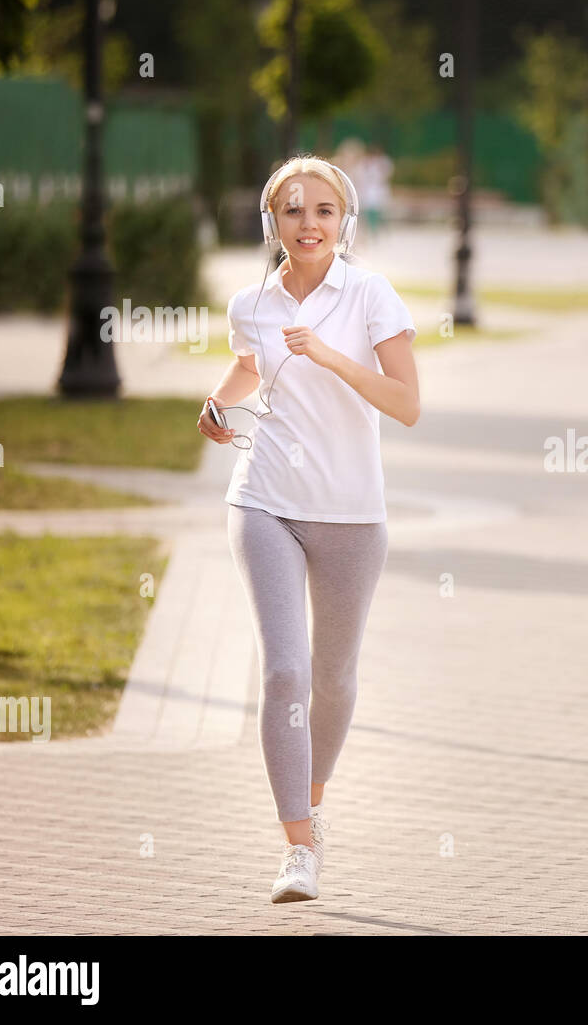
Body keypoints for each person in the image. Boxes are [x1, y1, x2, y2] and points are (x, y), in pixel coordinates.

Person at [196, 154, 420, 903]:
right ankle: (298, 848)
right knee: (285, 671)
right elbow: (247, 368)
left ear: (344, 221)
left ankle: (313, 799)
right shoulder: (251, 305)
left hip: (353, 515)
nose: (308, 223)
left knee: (332, 677)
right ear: (272, 223)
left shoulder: (371, 296)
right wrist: (218, 407)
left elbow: (406, 402)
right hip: (265, 501)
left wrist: (327, 354)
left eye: (323, 210)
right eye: (292, 210)